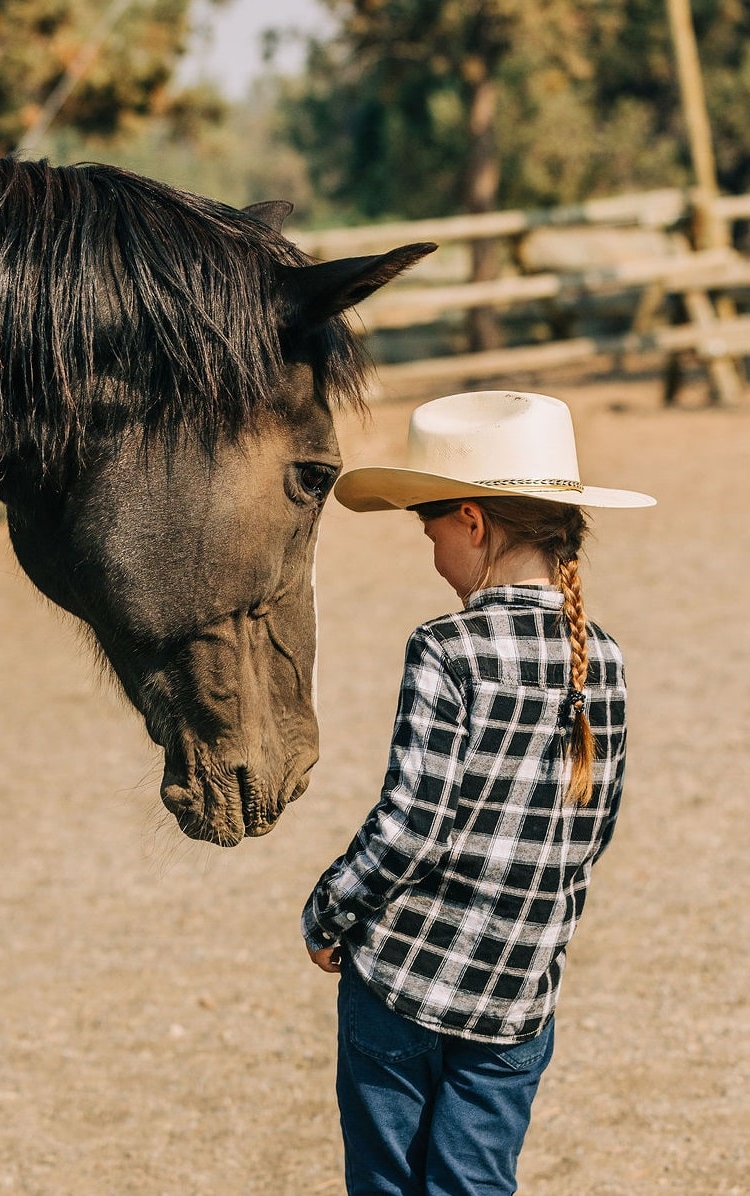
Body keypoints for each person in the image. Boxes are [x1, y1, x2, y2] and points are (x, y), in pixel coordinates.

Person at [301, 389, 654, 1196]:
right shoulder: (605, 657)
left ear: (471, 521)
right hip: (519, 995)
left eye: (429, 531)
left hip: (405, 983)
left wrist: (328, 911)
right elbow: (591, 830)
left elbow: (413, 826)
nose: (430, 554)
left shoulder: (447, 647)